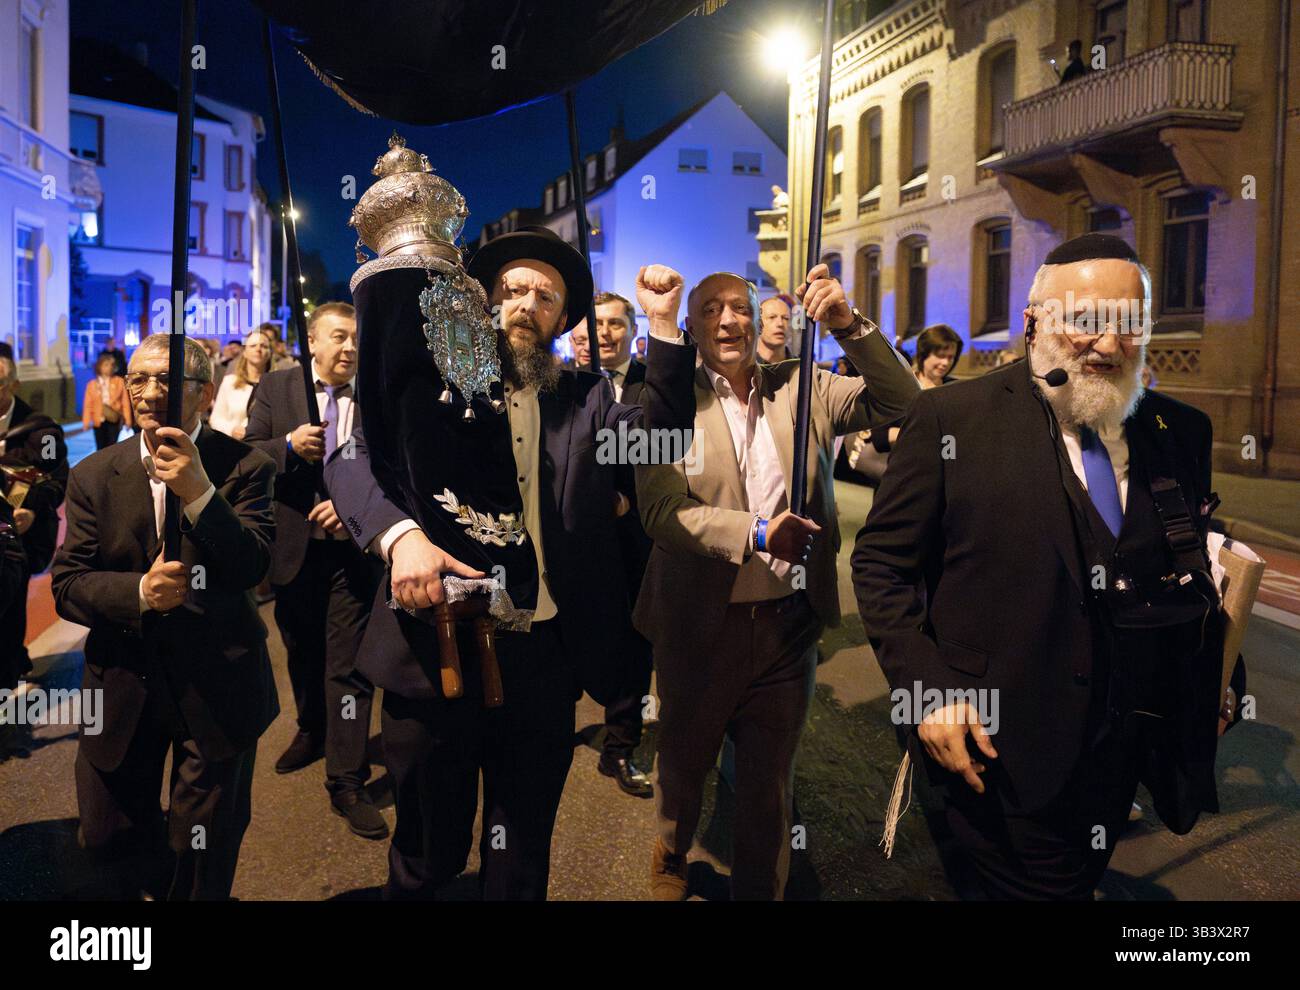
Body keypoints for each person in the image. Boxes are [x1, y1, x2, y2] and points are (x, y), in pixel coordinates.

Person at [853, 233, 1235, 900]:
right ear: (1034, 322)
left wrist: (1223, 673)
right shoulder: (951, 418)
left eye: (1128, 324)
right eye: (1086, 320)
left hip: (1121, 755)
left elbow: (1195, 563)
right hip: (994, 752)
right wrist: (930, 691)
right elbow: (882, 563)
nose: (1109, 345)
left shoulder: (1180, 432)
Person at [327, 225, 696, 899]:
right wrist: (400, 536)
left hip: (543, 661)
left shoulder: (589, 400)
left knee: (521, 854)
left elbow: (662, 440)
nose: (527, 304)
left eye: (546, 296)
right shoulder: (431, 380)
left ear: (563, 317)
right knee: (426, 856)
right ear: (483, 302)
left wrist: (665, 327)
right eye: (512, 290)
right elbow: (349, 457)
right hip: (434, 650)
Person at [635, 263, 919, 900]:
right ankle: (673, 843)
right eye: (710, 311)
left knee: (768, 783)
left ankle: (759, 889)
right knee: (684, 762)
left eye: (739, 306)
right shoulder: (665, 400)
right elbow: (659, 511)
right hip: (700, 623)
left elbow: (905, 403)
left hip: (788, 629)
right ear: (691, 326)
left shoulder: (805, 385)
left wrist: (847, 324)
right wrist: (759, 533)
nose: (729, 320)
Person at [51, 333, 278, 900]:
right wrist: (139, 593)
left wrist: (201, 493)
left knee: (201, 845)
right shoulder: (93, 475)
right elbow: (68, 583)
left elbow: (253, 564)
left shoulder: (247, 465)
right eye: (138, 380)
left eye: (167, 381)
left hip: (217, 681)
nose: (150, 393)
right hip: (123, 680)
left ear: (202, 395)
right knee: (105, 837)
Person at [244, 302, 386, 839]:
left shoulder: (378, 390)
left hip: (353, 554)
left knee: (348, 667)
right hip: (293, 547)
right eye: (339, 337)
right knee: (301, 650)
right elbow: (245, 454)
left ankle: (347, 780)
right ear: (313, 342)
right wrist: (285, 445)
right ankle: (310, 728)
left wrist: (356, 511)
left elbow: (397, 464)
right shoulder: (279, 388)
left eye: (356, 338)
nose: (350, 347)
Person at [571, 290, 656, 796]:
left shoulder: (653, 389)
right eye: (591, 324)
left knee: (632, 642)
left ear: (631, 331)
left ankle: (621, 746)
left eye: (612, 324)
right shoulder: (555, 384)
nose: (601, 333)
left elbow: (677, 454)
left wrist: (630, 499)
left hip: (632, 538)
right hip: (569, 537)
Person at [0, 355, 68, 736]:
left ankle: (8, 675)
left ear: (12, 386)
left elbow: (58, 479)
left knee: (9, 607)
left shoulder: (39, 432)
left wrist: (32, 510)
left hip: (19, 539)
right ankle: (14, 660)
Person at [209, 328, 273, 439]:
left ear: (269, 353)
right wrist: (232, 429)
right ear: (244, 352)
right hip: (235, 444)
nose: (258, 349)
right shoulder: (230, 382)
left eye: (264, 346)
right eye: (253, 345)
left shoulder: (276, 385)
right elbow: (215, 418)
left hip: (265, 446)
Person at [82, 353, 134, 449]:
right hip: (98, 419)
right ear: (99, 366)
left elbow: (125, 402)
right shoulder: (92, 384)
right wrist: (86, 421)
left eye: (111, 365)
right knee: (100, 446)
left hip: (114, 417)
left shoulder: (119, 381)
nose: (109, 367)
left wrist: (128, 420)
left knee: (112, 445)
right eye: (106, 365)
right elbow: (88, 404)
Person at [913, 323, 963, 389]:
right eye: (941, 356)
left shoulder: (957, 388)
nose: (946, 363)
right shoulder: (903, 386)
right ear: (923, 354)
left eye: (951, 357)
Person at [757, 295, 793, 364]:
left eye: (785, 318)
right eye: (772, 317)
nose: (780, 324)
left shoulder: (801, 368)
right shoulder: (740, 366)